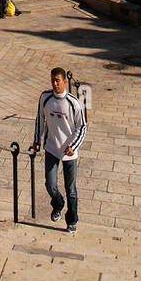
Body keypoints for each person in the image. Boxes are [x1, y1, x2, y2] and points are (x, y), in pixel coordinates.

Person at [33, 67, 87, 234]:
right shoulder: (45, 98)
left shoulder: (74, 103)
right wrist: (37, 141)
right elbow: (40, 120)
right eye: (52, 81)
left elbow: (82, 126)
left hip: (69, 152)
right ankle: (58, 204)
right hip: (51, 148)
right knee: (50, 185)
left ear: (65, 81)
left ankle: (72, 220)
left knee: (71, 190)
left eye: (58, 81)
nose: (55, 84)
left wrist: (73, 146)